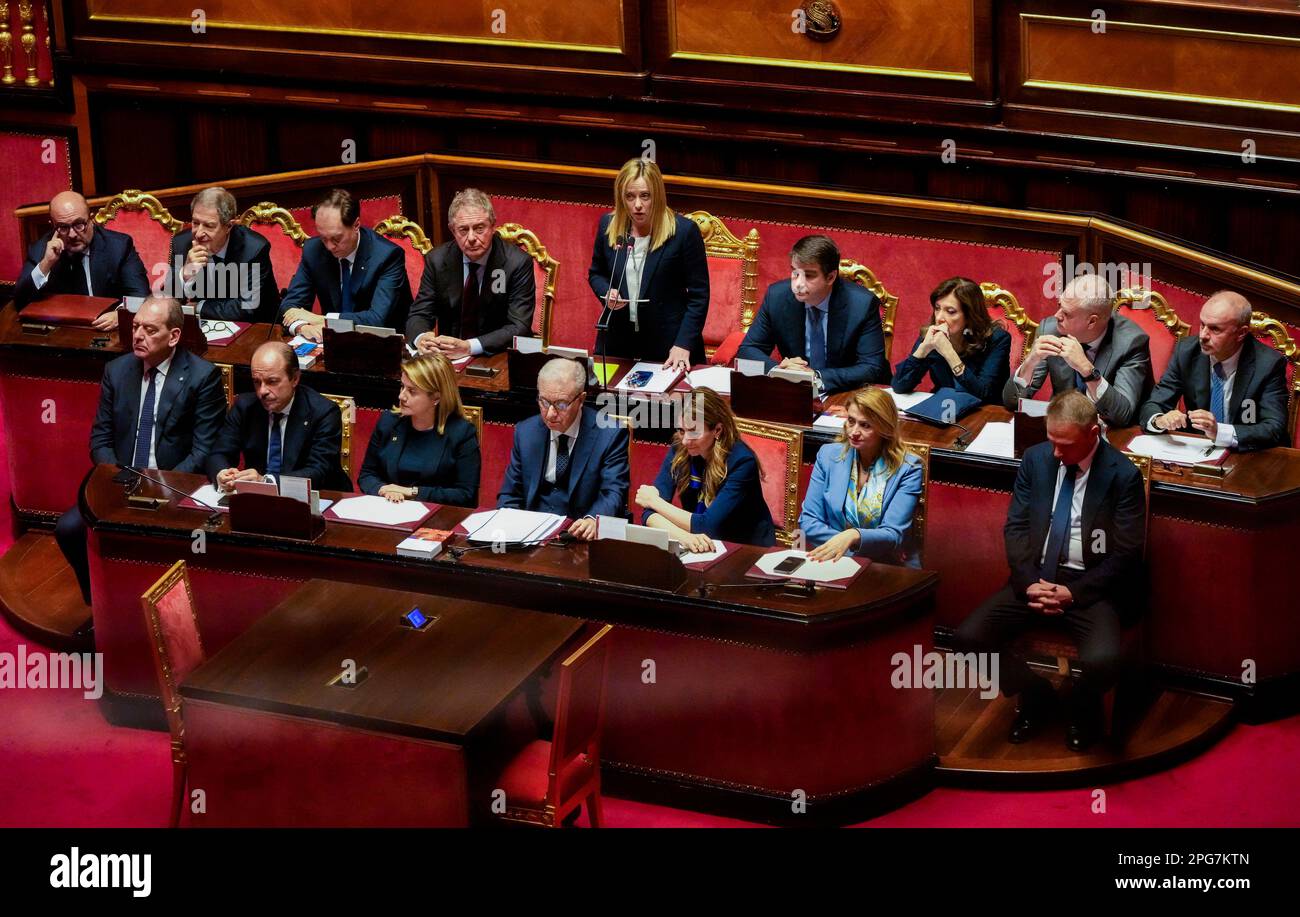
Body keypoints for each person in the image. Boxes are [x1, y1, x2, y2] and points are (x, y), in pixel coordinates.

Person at [954, 391, 1147, 753]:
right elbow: (1015, 528)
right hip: (1035, 576)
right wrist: (1029, 584)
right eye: (1052, 441)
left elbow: (1125, 554)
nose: (1056, 453)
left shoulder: (1124, 476)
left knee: (1104, 661)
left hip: (1090, 588)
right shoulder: (1036, 459)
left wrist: (1073, 593)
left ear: (1094, 432)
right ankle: (1035, 693)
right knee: (967, 640)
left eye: (1066, 444)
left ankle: (1081, 705)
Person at [55, 296, 226, 603]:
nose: (137, 335)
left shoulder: (203, 377)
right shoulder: (117, 371)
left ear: (174, 336)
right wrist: (122, 480)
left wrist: (157, 488)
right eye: (135, 326)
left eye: (149, 329)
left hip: (173, 490)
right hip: (122, 484)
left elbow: (203, 452)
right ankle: (100, 605)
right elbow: (100, 439)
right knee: (68, 529)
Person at [587, 158, 709, 373]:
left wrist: (683, 344)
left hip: (669, 347)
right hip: (618, 341)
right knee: (611, 404)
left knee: (661, 408)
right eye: (630, 196)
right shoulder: (609, 225)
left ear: (658, 195)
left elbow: (699, 295)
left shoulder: (683, 232)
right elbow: (596, 273)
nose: (637, 205)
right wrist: (607, 293)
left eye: (645, 196)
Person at [737, 235, 889, 395]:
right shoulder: (777, 297)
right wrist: (779, 370)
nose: (798, 284)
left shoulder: (861, 304)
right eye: (795, 272)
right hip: (797, 393)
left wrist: (816, 377)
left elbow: (872, 367)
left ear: (830, 277)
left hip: (849, 393)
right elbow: (748, 350)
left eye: (809, 275)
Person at [1138, 290, 1289, 451]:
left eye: (1215, 329)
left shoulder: (1268, 364)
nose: (1203, 335)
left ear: (1241, 333)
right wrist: (1160, 420)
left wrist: (1220, 432)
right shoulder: (1187, 351)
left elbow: (1273, 428)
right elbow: (1154, 404)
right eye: (1202, 324)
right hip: (1199, 450)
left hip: (1251, 454)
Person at [497, 357, 629, 538]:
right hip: (532, 533)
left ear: (581, 399)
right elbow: (510, 494)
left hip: (580, 535)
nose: (550, 413)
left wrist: (592, 520)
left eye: (561, 404)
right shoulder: (526, 432)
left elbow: (613, 493)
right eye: (543, 401)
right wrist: (511, 527)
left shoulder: (609, 435)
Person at [1001, 274, 1152, 427]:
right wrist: (1030, 363)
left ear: (1092, 321)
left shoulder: (1131, 342)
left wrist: (1087, 370)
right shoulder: (1051, 329)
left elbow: (1122, 415)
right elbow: (1011, 402)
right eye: (1060, 306)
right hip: (1061, 429)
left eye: (1066, 314)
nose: (1056, 316)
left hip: (1111, 434)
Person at [636, 387, 776, 549]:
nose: (686, 441)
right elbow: (648, 515)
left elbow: (707, 525)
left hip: (745, 548)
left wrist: (654, 501)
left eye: (694, 431)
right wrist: (684, 537)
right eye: (682, 431)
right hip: (700, 543)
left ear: (717, 430)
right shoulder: (680, 448)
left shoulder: (742, 461)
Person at [798, 387, 923, 566]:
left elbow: (893, 534)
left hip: (885, 565)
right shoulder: (828, 455)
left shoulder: (908, 468)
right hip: (833, 559)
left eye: (865, 425)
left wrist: (853, 536)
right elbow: (808, 521)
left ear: (884, 428)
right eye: (851, 421)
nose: (854, 432)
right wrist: (843, 546)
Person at [404, 189, 536, 358]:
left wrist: (469, 347)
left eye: (479, 228)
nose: (472, 237)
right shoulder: (437, 260)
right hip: (449, 358)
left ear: (493, 226)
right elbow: (420, 313)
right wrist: (422, 338)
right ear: (452, 230)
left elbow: (519, 326)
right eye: (463, 230)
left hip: (498, 356)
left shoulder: (516, 263)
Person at [206, 341, 352, 492]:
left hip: (318, 499)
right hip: (257, 500)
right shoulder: (245, 406)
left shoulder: (323, 412)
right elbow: (219, 453)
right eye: (257, 382)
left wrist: (267, 482)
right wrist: (222, 473)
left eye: (272, 381)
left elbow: (318, 472)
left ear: (295, 378)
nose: (262, 391)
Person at [278, 188, 412, 341]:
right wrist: (303, 327)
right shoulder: (314, 250)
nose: (329, 246)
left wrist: (322, 319)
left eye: (336, 239)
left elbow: (377, 319)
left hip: (380, 344)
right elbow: (289, 305)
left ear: (356, 225)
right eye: (323, 238)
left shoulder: (387, 256)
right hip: (331, 344)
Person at [358, 352, 481, 507]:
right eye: (402, 386)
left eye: (412, 391)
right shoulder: (389, 422)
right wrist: (384, 490)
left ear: (436, 397)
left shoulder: (461, 433)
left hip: (438, 518)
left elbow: (465, 494)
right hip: (389, 509)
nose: (401, 396)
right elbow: (367, 475)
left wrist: (411, 492)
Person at [15, 191, 150, 325]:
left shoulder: (118, 246)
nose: (72, 234)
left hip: (107, 331)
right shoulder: (41, 250)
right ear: (53, 226)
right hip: (62, 332)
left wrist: (119, 315)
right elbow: (20, 302)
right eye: (63, 227)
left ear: (91, 219)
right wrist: (46, 264)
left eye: (79, 224)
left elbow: (140, 295)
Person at [166, 186, 280, 322]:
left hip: (255, 328)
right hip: (204, 327)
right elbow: (167, 302)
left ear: (229, 226)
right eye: (195, 223)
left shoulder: (254, 249)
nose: (198, 233)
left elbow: (247, 307)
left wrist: (200, 307)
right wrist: (184, 275)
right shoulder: (182, 244)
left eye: (209, 226)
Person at [892, 277, 1011, 404]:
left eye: (950, 311)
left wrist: (949, 353)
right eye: (937, 308)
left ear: (969, 316)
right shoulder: (932, 335)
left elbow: (983, 394)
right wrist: (923, 349)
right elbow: (899, 386)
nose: (939, 318)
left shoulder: (997, 339)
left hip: (984, 414)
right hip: (945, 408)